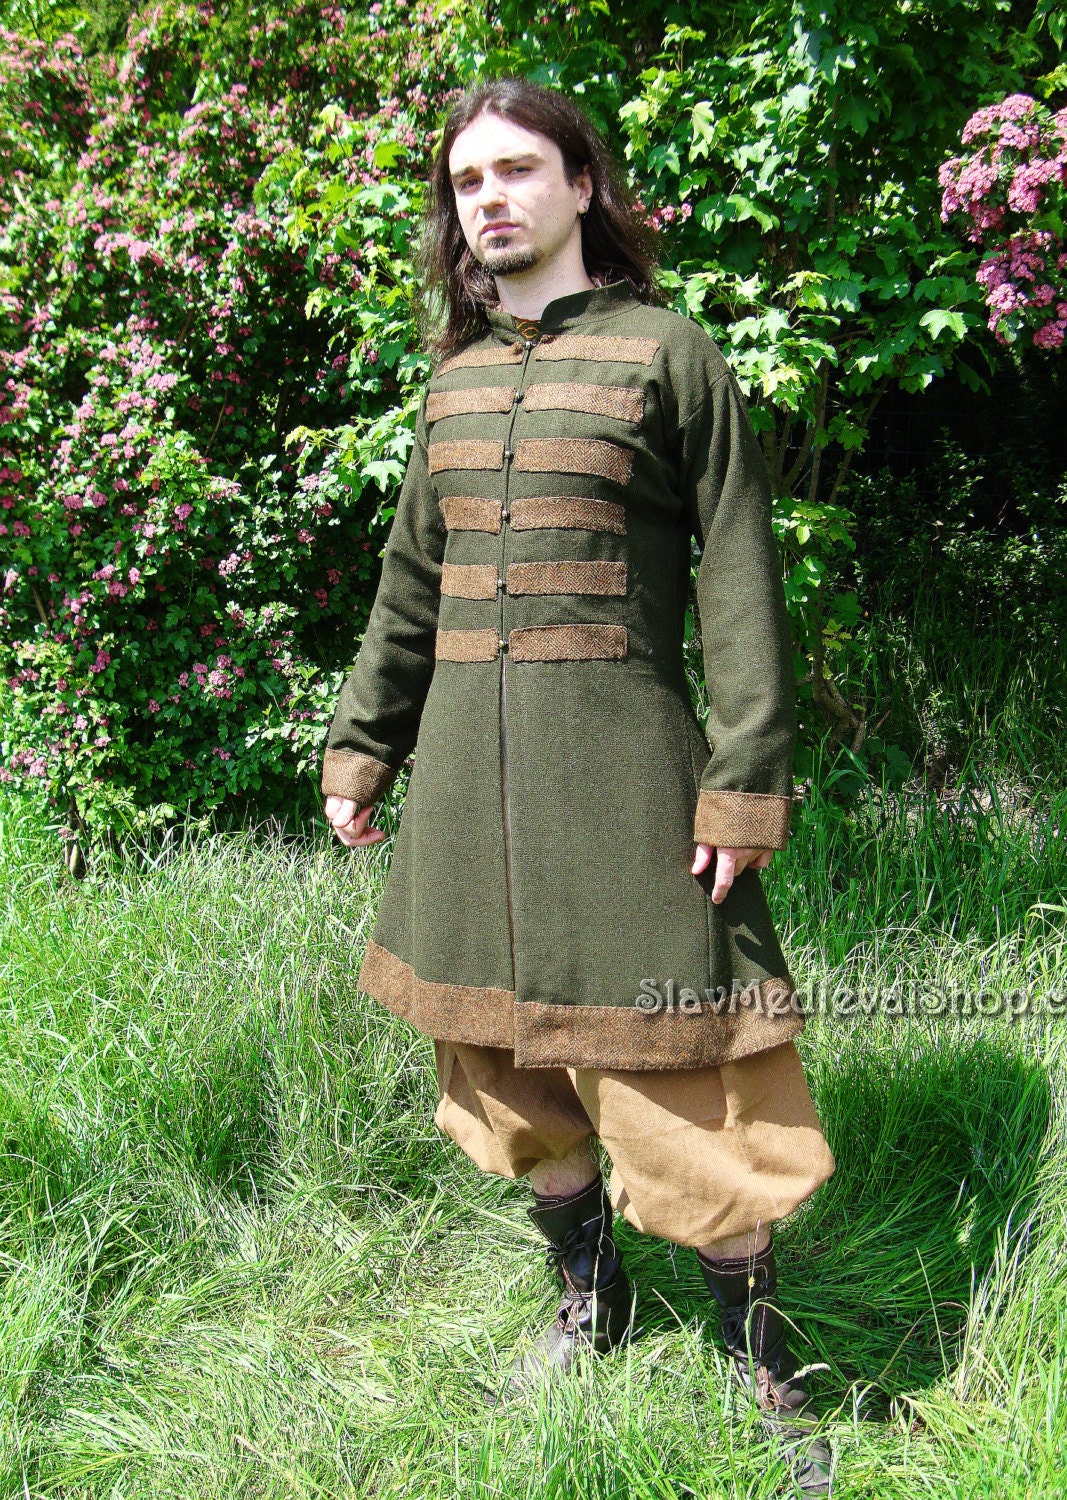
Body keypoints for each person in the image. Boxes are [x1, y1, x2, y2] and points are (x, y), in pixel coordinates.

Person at [321, 76, 837, 1495]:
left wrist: (744, 783)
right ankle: (587, 1300)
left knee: (690, 1072)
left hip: (625, 788)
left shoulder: (669, 355)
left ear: (580, 186)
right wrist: (364, 747)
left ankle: (762, 1359)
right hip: (465, 797)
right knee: (506, 1071)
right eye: (466, 180)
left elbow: (740, 575)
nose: (488, 197)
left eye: (515, 170)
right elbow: (411, 587)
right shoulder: (452, 383)